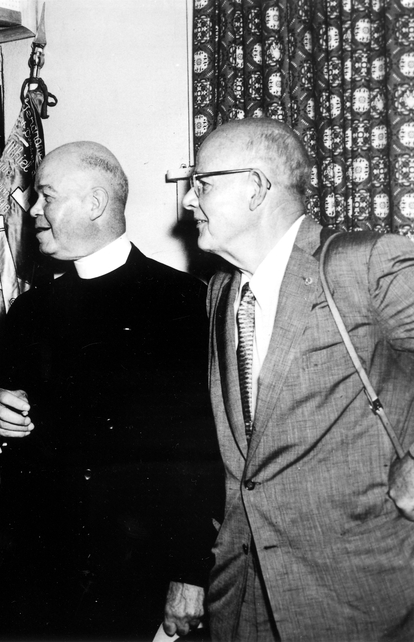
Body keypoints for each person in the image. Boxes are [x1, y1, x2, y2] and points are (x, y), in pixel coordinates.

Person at [0, 141, 223, 640]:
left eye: (45, 195)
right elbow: (8, 450)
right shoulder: (27, 312)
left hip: (137, 580)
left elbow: (203, 454)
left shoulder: (181, 303)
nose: (32, 209)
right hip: (39, 582)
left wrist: (191, 572)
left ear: (94, 204)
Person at [181, 117, 414, 641]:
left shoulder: (364, 264)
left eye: (203, 183)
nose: (190, 201)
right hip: (246, 597)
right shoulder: (221, 294)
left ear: (257, 187)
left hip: (362, 597)